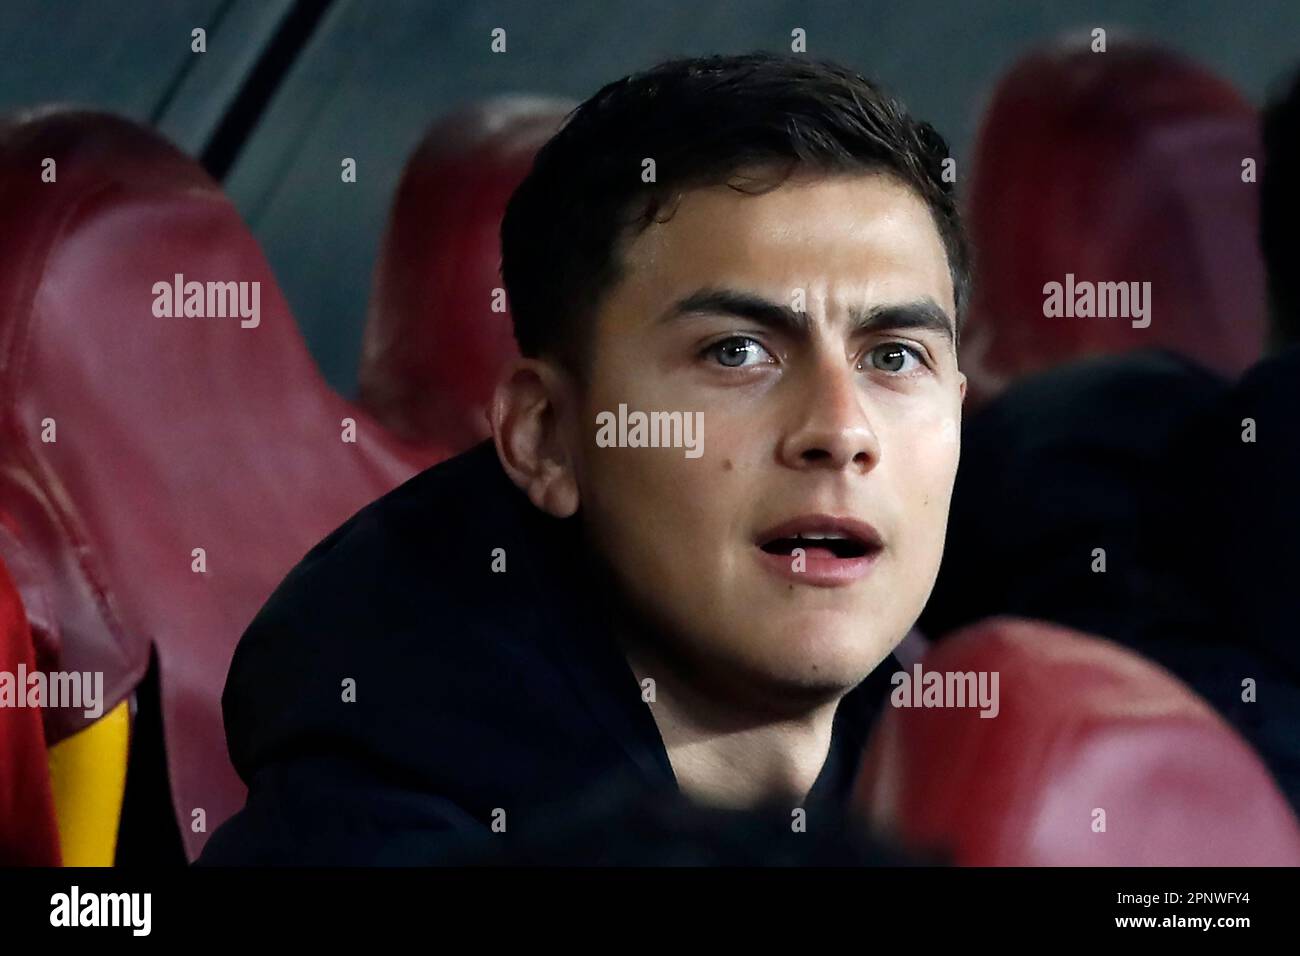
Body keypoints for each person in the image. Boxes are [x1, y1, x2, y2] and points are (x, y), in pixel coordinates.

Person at [198, 51, 967, 864]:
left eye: (893, 357)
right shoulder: (364, 825)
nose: (841, 431)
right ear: (547, 436)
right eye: (738, 351)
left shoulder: (974, 765)